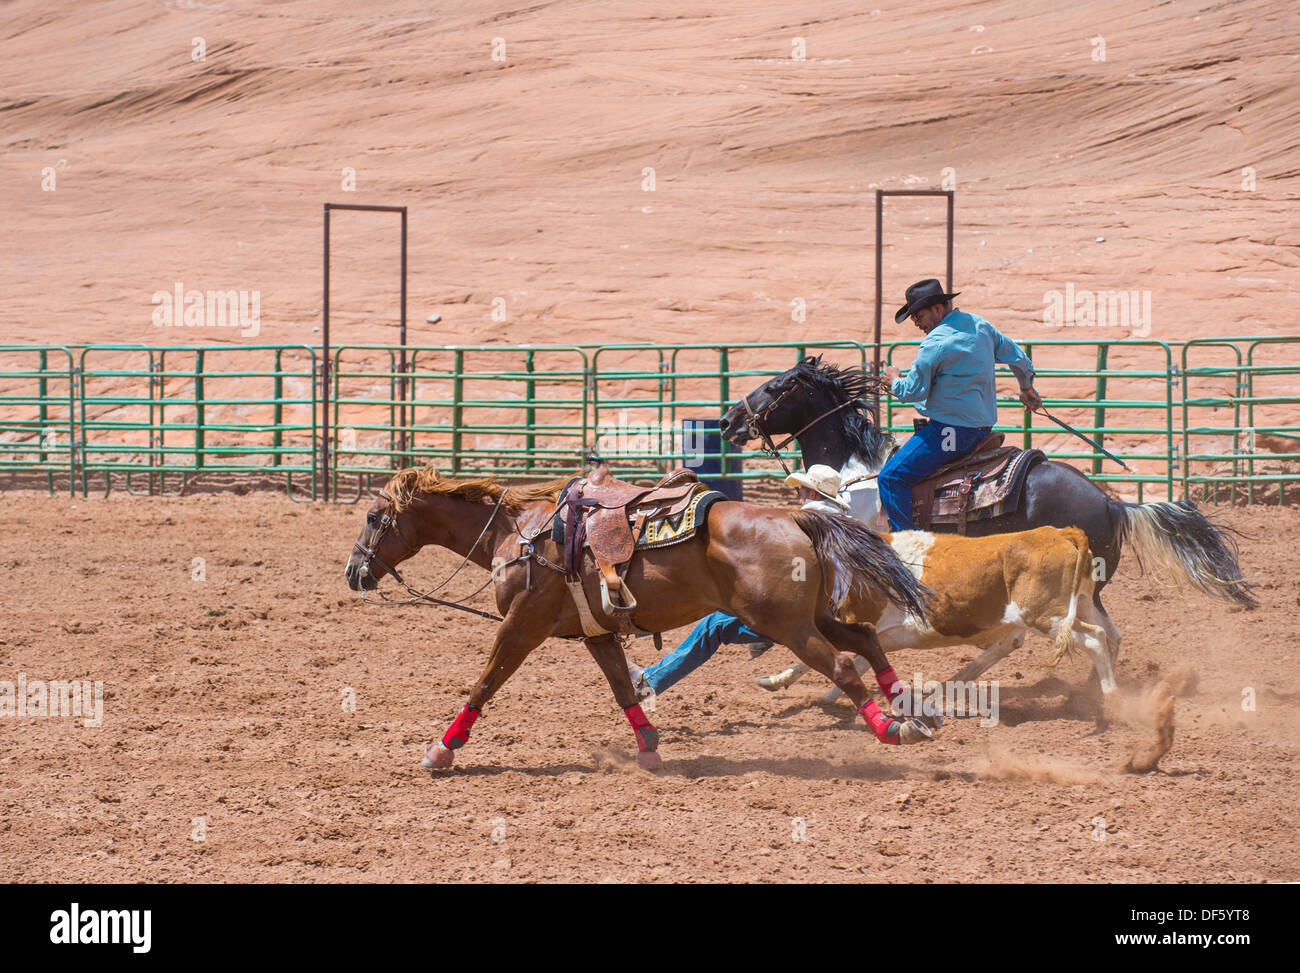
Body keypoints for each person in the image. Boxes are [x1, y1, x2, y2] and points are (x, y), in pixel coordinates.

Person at [626, 465, 850, 701]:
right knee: (721, 607)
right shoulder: (841, 523)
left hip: (805, 616)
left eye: (801, 492)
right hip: (828, 611)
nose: (799, 497)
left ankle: (651, 679)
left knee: (713, 625)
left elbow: (797, 577)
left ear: (813, 494)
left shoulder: (806, 523)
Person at [878, 278, 1042, 531]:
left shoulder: (935, 343)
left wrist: (893, 380)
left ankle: (907, 545)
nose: (918, 324)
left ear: (937, 308)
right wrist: (1026, 388)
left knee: (890, 478)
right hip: (982, 430)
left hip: (948, 434)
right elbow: (1018, 357)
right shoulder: (980, 326)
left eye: (918, 316)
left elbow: (911, 391)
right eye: (913, 320)